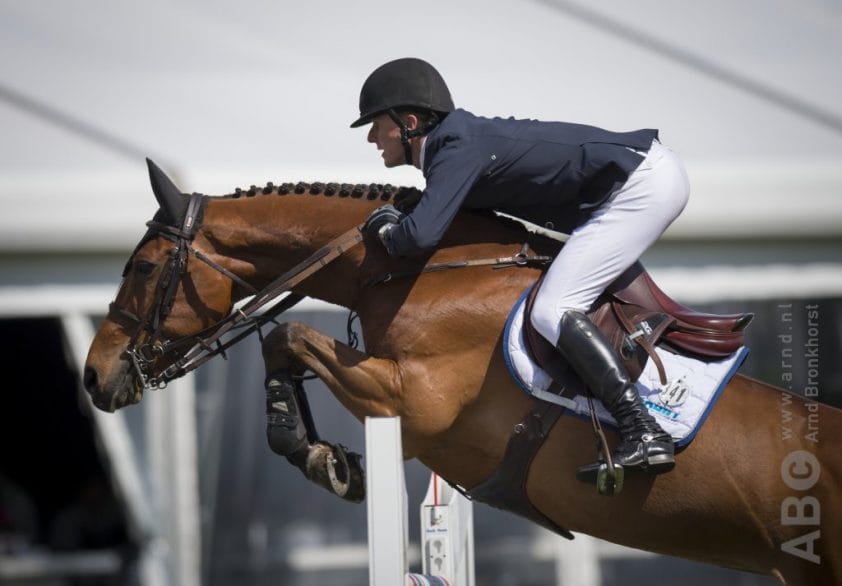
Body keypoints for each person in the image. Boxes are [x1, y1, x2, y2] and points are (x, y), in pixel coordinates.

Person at [353, 57, 689, 477]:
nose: (370, 137)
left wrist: (386, 229)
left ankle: (643, 429)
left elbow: (419, 237)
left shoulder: (454, 148)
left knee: (553, 309)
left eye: (376, 124)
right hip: (641, 180)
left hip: (641, 186)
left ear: (410, 121)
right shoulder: (455, 147)